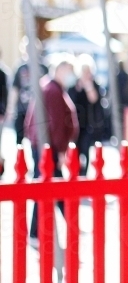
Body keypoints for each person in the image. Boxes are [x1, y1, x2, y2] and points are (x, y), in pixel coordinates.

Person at [26, 59, 79, 238]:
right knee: (53, 188)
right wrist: (62, 150)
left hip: (45, 146)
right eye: (69, 70)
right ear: (60, 69)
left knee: (49, 188)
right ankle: (70, 225)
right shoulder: (53, 90)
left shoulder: (49, 87)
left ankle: (68, 224)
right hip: (49, 148)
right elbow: (56, 124)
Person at [68, 56, 111, 175]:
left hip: (88, 125)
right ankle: (76, 172)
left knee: (85, 149)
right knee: (75, 149)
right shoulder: (74, 86)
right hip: (76, 122)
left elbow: (94, 99)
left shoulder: (94, 85)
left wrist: (88, 87)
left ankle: (83, 173)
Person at [11, 55, 47, 146]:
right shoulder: (21, 68)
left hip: (37, 109)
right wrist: (10, 108)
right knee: (19, 137)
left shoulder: (43, 67)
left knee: (35, 138)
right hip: (22, 108)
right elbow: (15, 89)